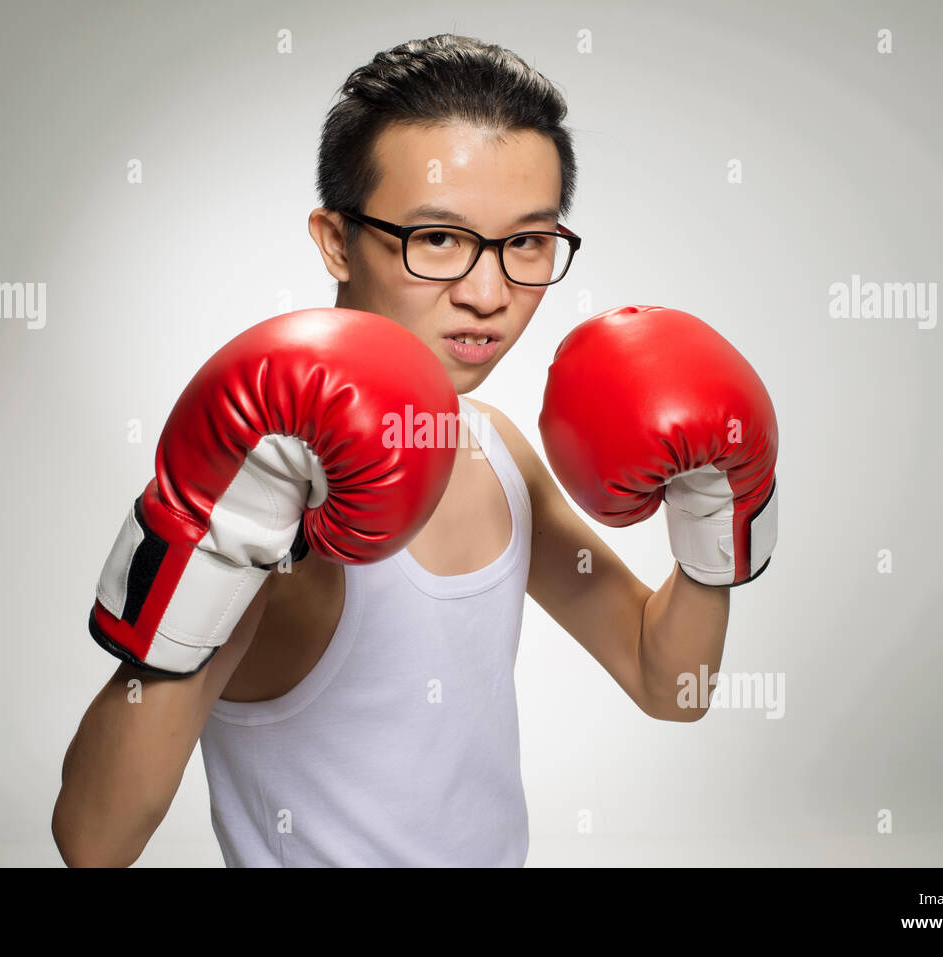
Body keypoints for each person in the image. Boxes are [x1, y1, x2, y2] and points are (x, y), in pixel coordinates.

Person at [51, 33, 777, 868]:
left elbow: (666, 683)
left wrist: (714, 519)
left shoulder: (494, 450)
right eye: (438, 239)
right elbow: (93, 840)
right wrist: (210, 552)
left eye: (528, 243)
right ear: (334, 240)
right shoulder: (271, 507)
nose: (488, 293)